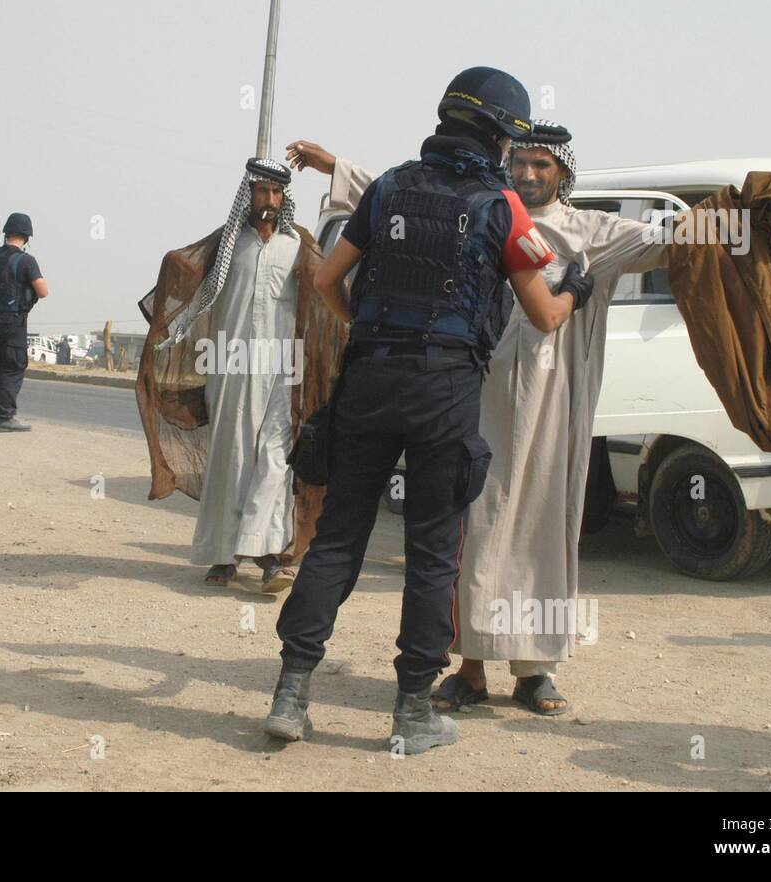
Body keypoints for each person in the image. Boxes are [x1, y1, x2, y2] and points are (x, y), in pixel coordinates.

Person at [286, 122, 668, 716]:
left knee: (543, 530)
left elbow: (668, 242)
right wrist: (331, 161)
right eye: (522, 162)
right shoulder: (487, 208)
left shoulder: (593, 232)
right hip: (472, 399)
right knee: (470, 532)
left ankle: (535, 670)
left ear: (563, 174)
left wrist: (730, 221)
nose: (529, 173)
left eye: (543, 165)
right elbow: (389, 193)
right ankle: (468, 669)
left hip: (549, 410)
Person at [265, 68, 594, 754]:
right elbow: (542, 314)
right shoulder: (504, 206)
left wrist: (371, 334)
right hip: (444, 390)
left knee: (337, 539)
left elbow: (327, 279)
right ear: (499, 134)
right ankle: (413, 710)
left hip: (369, 378)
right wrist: (577, 292)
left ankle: (291, 695)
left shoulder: (388, 186)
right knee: (432, 552)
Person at [135, 159, 346, 594]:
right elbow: (190, 282)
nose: (268, 201)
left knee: (275, 456)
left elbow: (328, 293)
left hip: (284, 367)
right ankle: (222, 555)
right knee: (231, 454)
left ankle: (269, 552)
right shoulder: (227, 244)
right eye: (261, 191)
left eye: (275, 193)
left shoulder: (298, 244)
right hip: (230, 363)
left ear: (285, 197)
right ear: (248, 194)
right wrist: (169, 330)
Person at [0, 212, 48, 432]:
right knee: (12, 367)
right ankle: (6, 417)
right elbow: (43, 291)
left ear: (6, 233)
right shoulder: (27, 260)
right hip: (14, 321)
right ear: (27, 237)